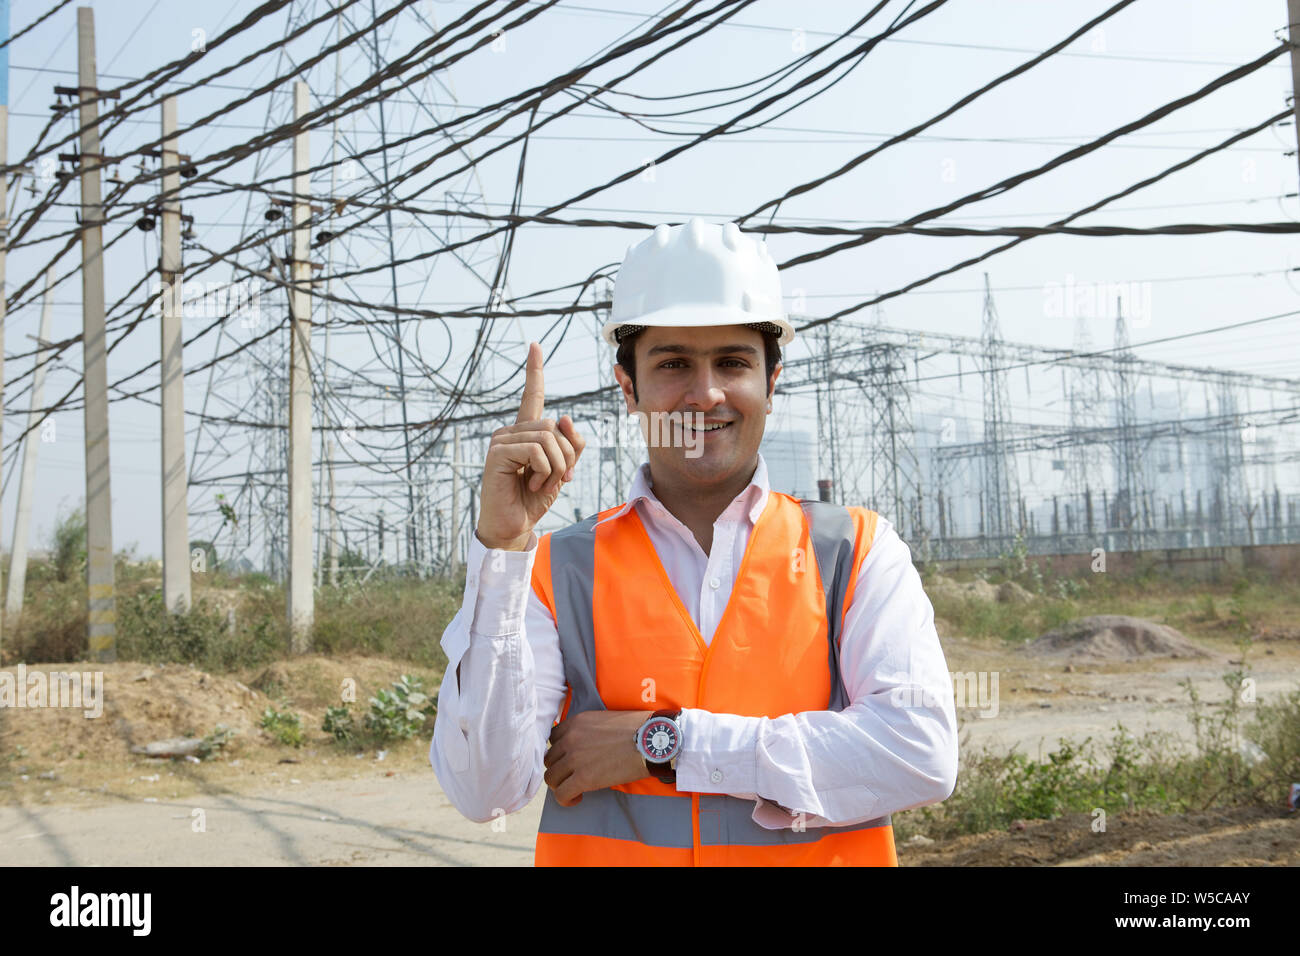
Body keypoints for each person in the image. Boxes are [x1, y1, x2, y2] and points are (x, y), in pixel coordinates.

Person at [430, 218, 958, 866]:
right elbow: (486, 790)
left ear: (772, 382)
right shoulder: (554, 572)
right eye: (674, 362)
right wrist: (501, 551)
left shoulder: (856, 553)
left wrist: (669, 744)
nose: (705, 393)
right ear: (629, 388)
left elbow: (920, 753)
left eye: (732, 362)